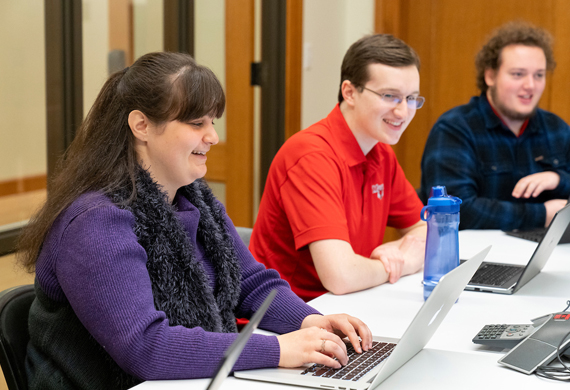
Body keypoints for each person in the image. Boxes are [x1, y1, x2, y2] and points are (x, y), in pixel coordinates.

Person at [17, 52, 373, 390]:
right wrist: (279, 351)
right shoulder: (96, 223)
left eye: (212, 122)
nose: (213, 136)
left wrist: (310, 322)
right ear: (141, 125)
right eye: (196, 123)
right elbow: (145, 347)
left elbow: (251, 282)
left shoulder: (193, 198)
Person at [249, 34, 427, 302]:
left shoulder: (381, 153)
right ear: (350, 92)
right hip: (291, 319)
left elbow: (429, 232)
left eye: (411, 98)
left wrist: (391, 255)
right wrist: (399, 262)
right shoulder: (311, 156)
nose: (403, 112)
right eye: (390, 96)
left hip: (350, 303)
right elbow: (341, 276)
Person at [420, 22, 570, 230]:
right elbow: (457, 210)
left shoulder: (557, 129)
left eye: (539, 75)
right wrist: (542, 214)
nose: (530, 85)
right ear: (490, 76)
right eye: (518, 74)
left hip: (547, 255)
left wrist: (559, 179)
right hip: (475, 258)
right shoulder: (455, 129)